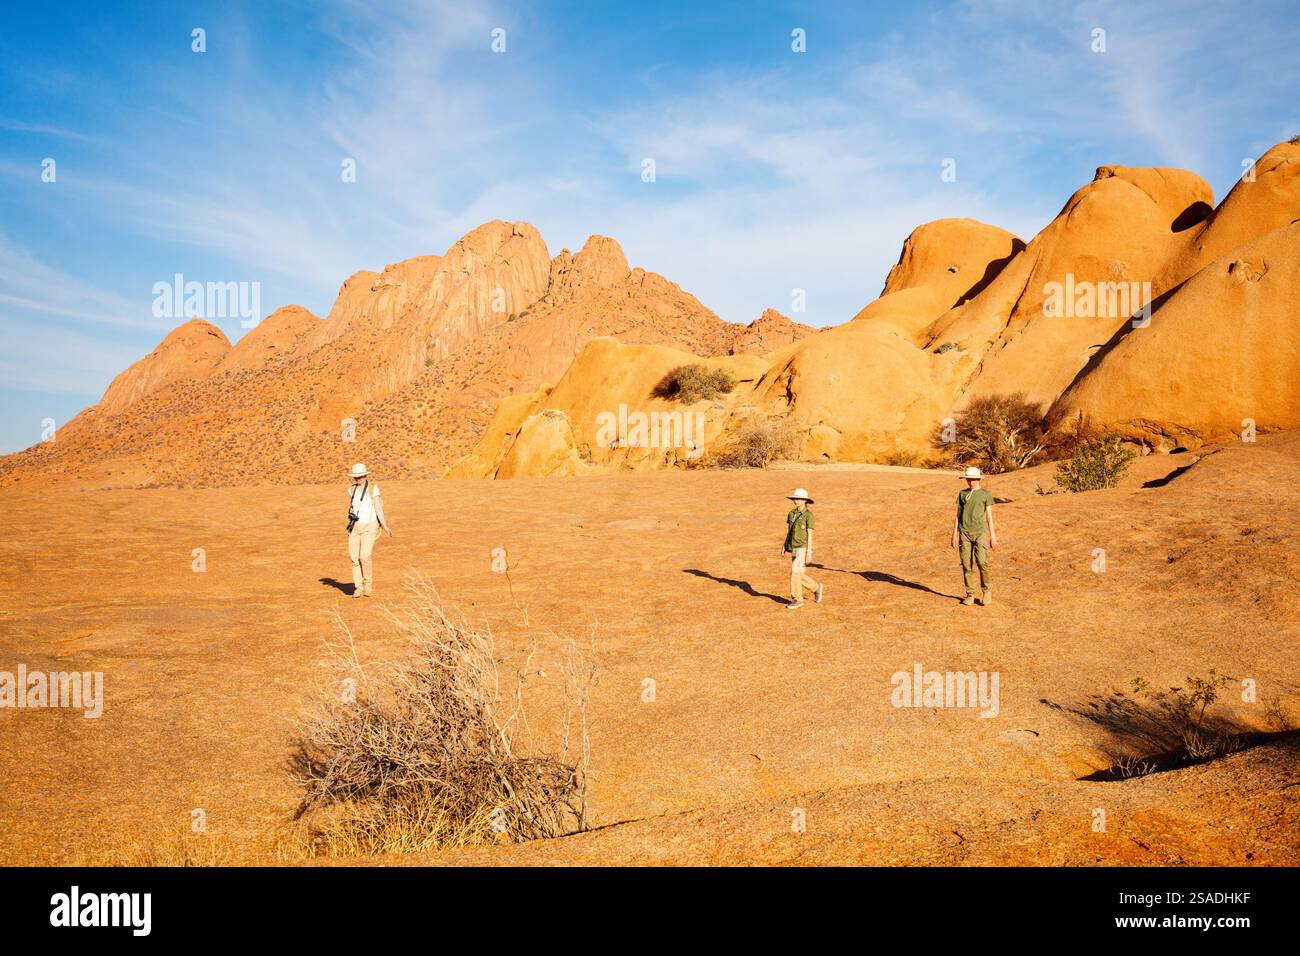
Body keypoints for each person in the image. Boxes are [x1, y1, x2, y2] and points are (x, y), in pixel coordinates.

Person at [951, 466, 997, 606]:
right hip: (964, 533)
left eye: (973, 479)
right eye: (969, 479)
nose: (971, 482)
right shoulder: (962, 494)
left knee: (982, 562)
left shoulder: (985, 494)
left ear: (978, 479)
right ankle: (970, 594)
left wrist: (992, 536)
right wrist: (954, 534)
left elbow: (989, 516)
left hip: (980, 533)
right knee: (966, 564)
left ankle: (986, 591)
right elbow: (958, 515)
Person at [345, 463, 392, 598]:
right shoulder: (351, 490)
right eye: (356, 477)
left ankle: (368, 582)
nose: (358, 479)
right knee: (354, 558)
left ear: (365, 476)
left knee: (364, 556)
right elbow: (352, 508)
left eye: (360, 476)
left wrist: (384, 526)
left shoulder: (373, 489)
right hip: (355, 528)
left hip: (369, 527)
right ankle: (358, 587)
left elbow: (378, 508)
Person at [783, 488, 823, 610]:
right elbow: (789, 531)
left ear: (805, 500)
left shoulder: (808, 515)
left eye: (798, 498)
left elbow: (810, 534)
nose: (795, 500)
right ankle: (816, 587)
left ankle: (797, 599)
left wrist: (809, 552)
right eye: (794, 498)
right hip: (793, 547)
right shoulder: (791, 514)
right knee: (798, 574)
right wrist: (784, 545)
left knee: (795, 572)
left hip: (802, 548)